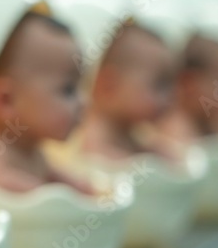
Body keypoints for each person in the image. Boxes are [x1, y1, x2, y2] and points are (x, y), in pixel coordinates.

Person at [0, 11, 94, 193]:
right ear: (6, 101)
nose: (84, 102)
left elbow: (52, 174)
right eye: (68, 89)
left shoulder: (31, 146)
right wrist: (46, 194)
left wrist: (78, 187)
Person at [77, 23, 179, 161]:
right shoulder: (90, 139)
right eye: (160, 85)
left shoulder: (136, 136)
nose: (172, 97)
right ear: (108, 85)